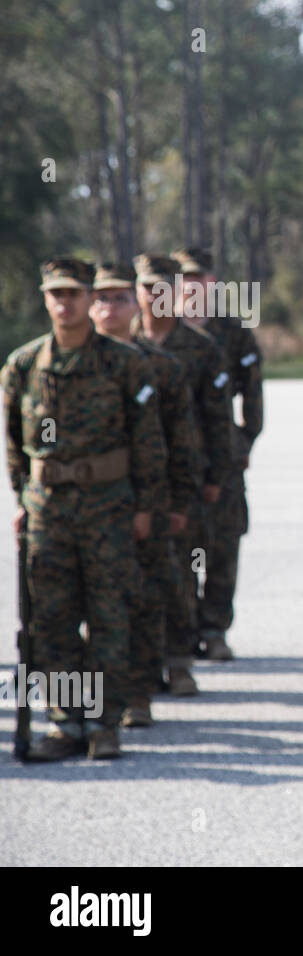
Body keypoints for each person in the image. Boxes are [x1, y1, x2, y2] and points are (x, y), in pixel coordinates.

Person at [2, 258, 166, 759]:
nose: (65, 303)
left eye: (74, 293)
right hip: (49, 510)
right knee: (53, 619)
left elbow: (148, 441)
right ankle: (65, 721)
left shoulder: (124, 363)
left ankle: (103, 722)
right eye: (57, 294)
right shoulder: (25, 365)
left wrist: (144, 508)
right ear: (46, 299)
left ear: (89, 299)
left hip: (109, 507)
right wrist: (22, 498)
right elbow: (13, 441)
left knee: (109, 616)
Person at [90, 262, 200, 727]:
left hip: (142, 503)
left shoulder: (160, 367)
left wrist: (173, 504)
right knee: (89, 601)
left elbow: (180, 441)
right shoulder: (46, 362)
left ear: (133, 305)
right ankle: (89, 699)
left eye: (120, 298)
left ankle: (140, 689)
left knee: (143, 595)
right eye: (102, 298)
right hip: (79, 507)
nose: (110, 307)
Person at [133, 253, 232, 696]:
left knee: (180, 569)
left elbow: (216, 420)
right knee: (135, 573)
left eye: (163, 288)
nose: (155, 296)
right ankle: (141, 664)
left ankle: (179, 659)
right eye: (146, 288)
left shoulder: (201, 348)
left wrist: (212, 477)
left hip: (182, 475)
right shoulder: (121, 344)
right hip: (131, 481)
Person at [172, 247, 262, 661]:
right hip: (173, 460)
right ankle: (182, 631)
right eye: (184, 278)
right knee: (180, 545)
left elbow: (252, 394)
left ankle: (215, 629)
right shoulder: (158, 330)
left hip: (222, 456)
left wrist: (244, 440)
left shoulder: (233, 331)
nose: (192, 286)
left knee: (223, 545)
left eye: (200, 278)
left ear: (213, 282)